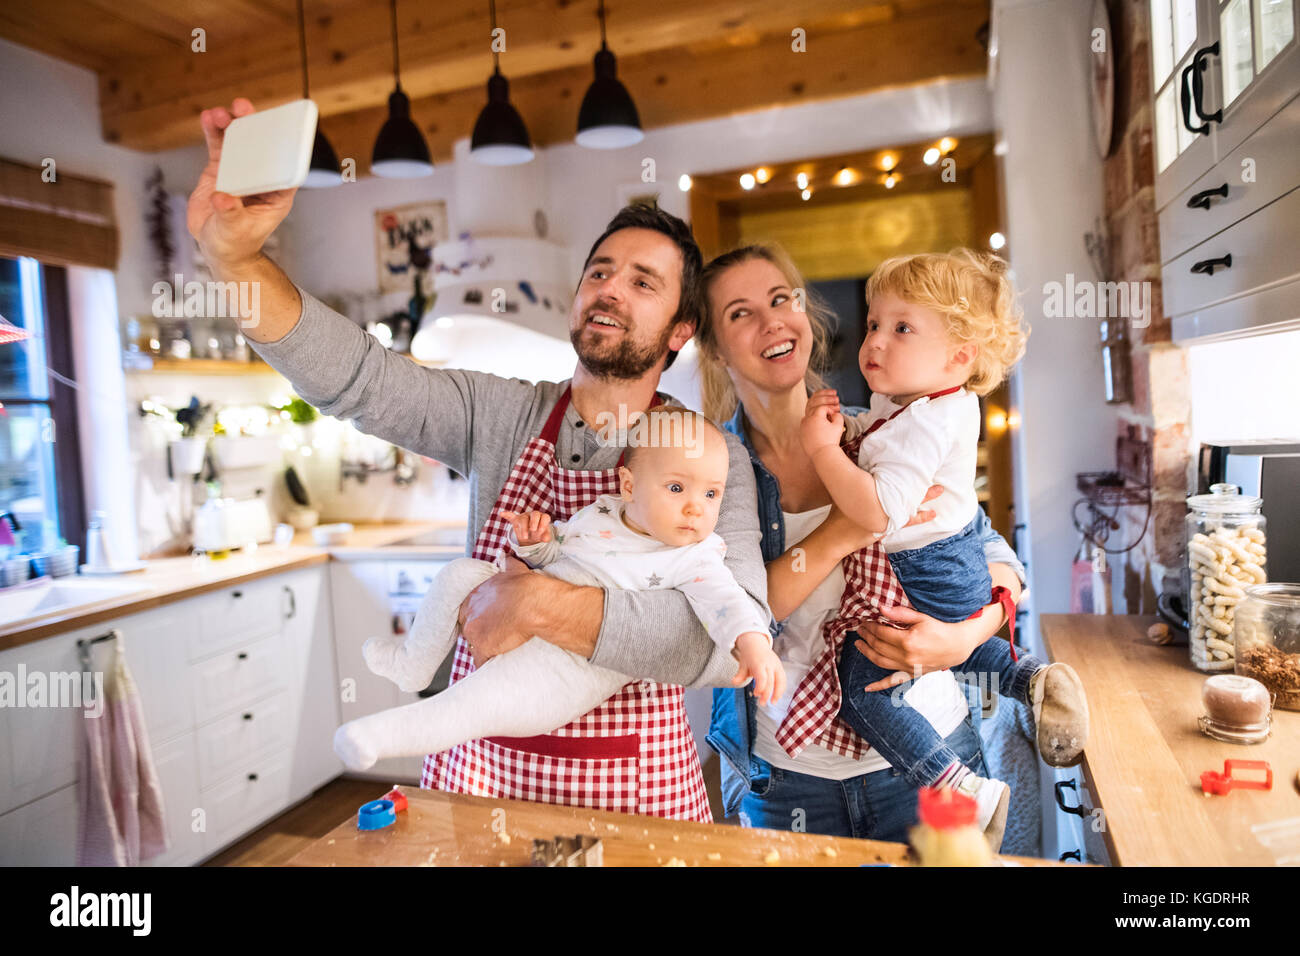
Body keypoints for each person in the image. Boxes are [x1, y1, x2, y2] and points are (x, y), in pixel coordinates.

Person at [187, 99, 766, 822]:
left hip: (633, 798)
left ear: (680, 329)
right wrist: (234, 260)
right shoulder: (501, 415)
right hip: (479, 774)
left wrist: (537, 602)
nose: (610, 288)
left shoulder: (716, 463)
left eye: (643, 282)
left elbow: (721, 649)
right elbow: (360, 379)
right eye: (599, 272)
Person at [695, 242, 1028, 844]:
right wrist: (852, 527)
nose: (771, 321)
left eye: (780, 299)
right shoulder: (708, 467)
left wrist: (963, 638)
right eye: (740, 313)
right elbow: (734, 611)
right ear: (714, 347)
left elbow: (995, 554)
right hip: (789, 779)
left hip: (932, 755)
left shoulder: (881, 429)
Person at [798, 250, 1089, 842]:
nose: (876, 339)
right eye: (875, 322)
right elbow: (882, 442)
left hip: (926, 563)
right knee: (950, 638)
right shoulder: (919, 405)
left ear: (960, 356)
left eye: (902, 328)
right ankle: (1031, 679)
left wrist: (824, 451)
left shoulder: (927, 421)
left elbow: (876, 511)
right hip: (946, 560)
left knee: (862, 691)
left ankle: (960, 788)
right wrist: (849, 430)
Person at [332, 408, 785, 772]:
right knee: (459, 573)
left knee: (471, 704)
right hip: (531, 609)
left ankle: (380, 736)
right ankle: (414, 664)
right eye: (676, 488)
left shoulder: (695, 555)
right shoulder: (603, 515)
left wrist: (754, 645)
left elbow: (728, 603)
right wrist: (535, 543)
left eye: (712, 495)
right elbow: (557, 558)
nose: (695, 508)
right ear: (628, 486)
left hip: (569, 669)